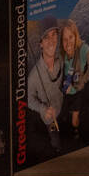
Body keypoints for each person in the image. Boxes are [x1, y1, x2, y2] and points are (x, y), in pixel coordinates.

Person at [27, 18, 67, 152]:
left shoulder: (61, 59)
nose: (51, 41)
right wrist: (43, 109)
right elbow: (29, 99)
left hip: (63, 107)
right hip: (49, 119)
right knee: (56, 142)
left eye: (54, 35)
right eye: (46, 37)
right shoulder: (33, 76)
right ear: (41, 44)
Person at [59, 19, 89, 145]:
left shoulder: (83, 49)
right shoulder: (62, 54)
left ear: (76, 36)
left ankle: (76, 131)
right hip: (66, 88)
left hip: (78, 90)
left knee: (74, 119)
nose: (68, 42)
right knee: (62, 114)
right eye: (65, 39)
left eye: (71, 37)